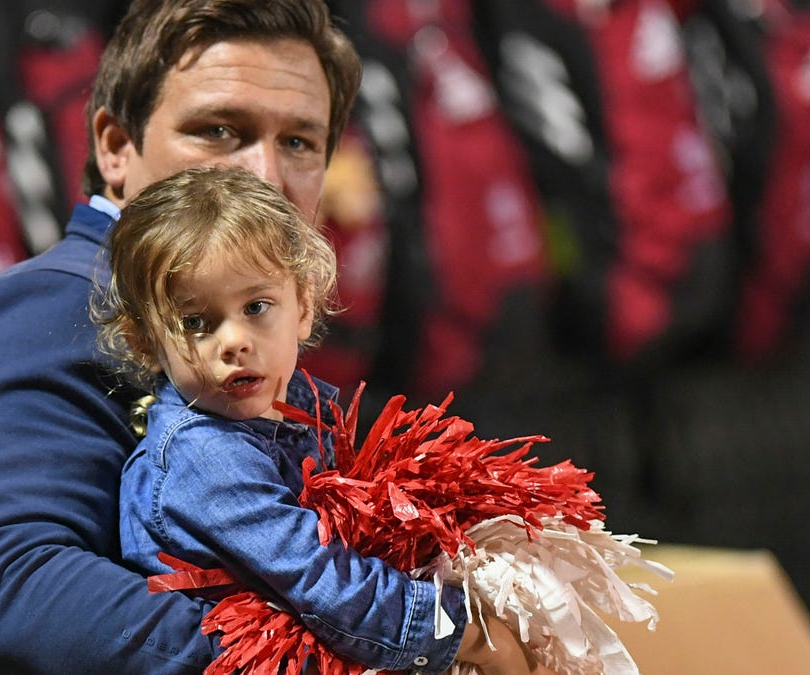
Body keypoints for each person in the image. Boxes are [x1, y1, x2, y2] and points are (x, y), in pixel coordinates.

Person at [0, 1, 550, 673]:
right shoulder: (46, 308)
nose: (265, 175)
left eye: (300, 142)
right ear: (115, 147)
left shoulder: (238, 321)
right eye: (219, 130)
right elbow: (9, 593)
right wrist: (348, 654)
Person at [99, 165, 541, 674]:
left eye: (257, 306)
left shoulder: (304, 402)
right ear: (143, 341)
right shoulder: (202, 455)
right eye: (195, 322)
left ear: (304, 306)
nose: (234, 341)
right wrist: (472, 636)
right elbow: (319, 578)